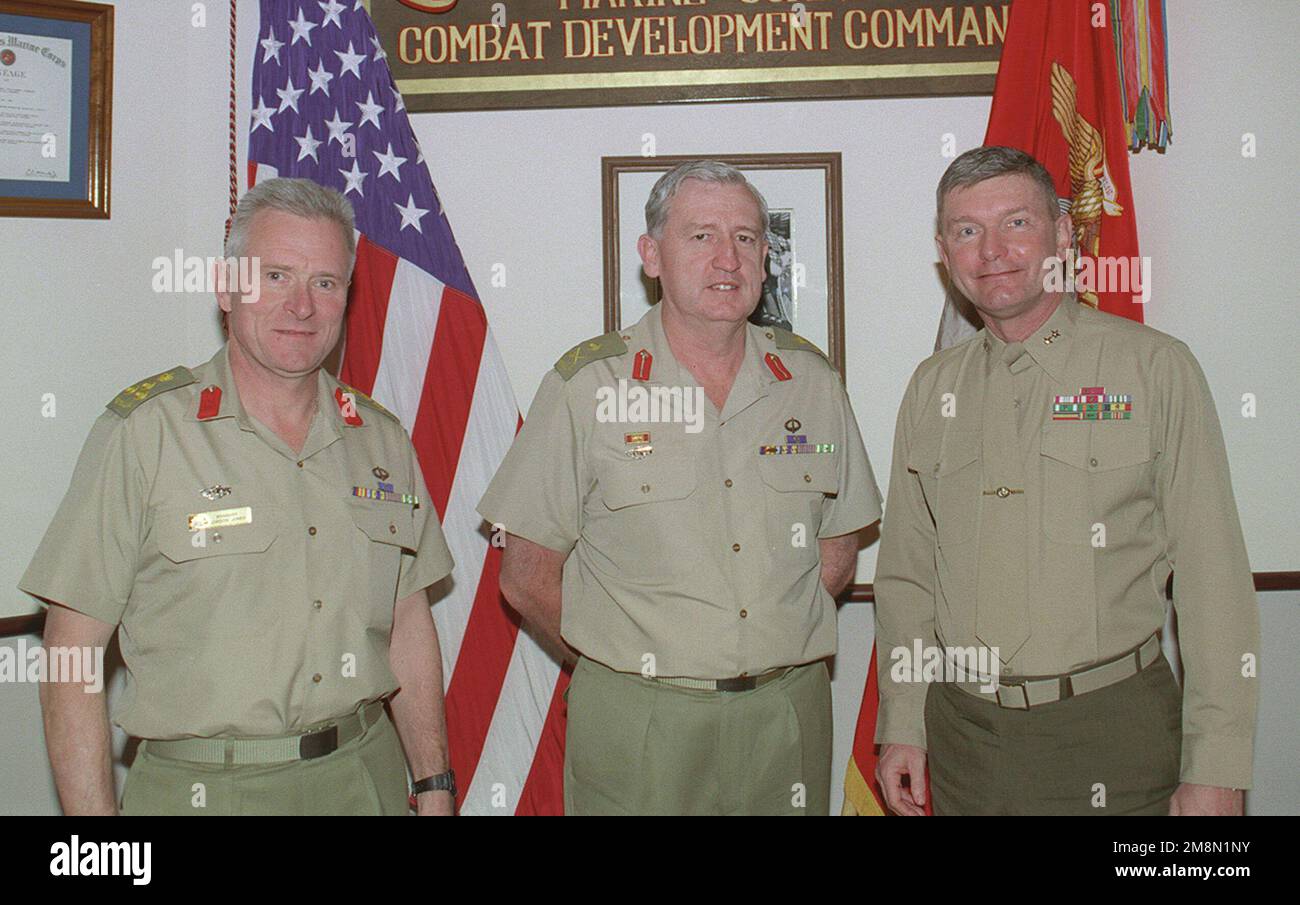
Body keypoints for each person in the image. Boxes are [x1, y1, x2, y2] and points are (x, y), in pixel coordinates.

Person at [20, 178, 457, 816]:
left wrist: (433, 782)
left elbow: (408, 625)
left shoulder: (382, 441)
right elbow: (70, 649)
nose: (301, 307)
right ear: (226, 288)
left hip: (367, 779)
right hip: (203, 792)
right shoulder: (147, 434)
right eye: (275, 276)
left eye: (325, 282)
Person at [478, 160, 882, 816]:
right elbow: (525, 574)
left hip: (785, 714)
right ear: (651, 254)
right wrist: (619, 666)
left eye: (747, 238)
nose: (728, 257)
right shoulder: (589, 386)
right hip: (641, 721)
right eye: (701, 236)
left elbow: (836, 550)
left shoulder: (811, 381)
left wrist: (766, 638)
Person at [873, 146, 1259, 816]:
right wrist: (904, 721)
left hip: (1111, 734)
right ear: (945, 252)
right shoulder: (933, 389)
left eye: (1016, 223)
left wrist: (1217, 766)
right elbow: (908, 577)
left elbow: (1212, 577)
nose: (992, 249)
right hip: (964, 742)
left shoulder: (1154, 370)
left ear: (1063, 235)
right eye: (967, 230)